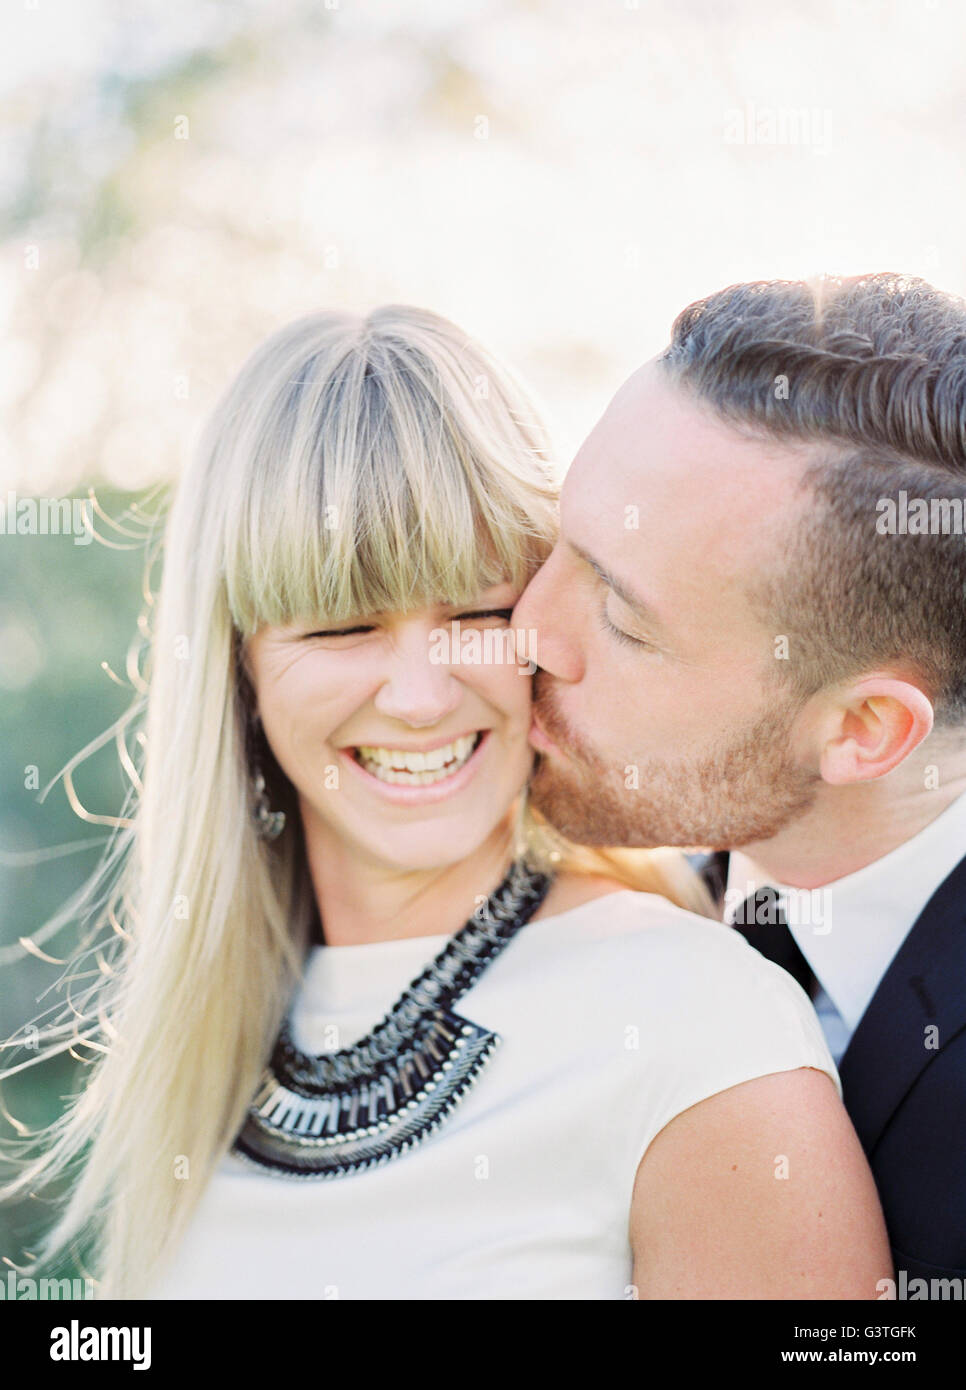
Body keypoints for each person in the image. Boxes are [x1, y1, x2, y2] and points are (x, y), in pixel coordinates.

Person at [0, 304, 890, 1300]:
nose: (422, 696)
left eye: (478, 611)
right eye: (343, 627)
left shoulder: (699, 1023)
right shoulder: (199, 1048)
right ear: (239, 667)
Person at [513, 271, 966, 1286]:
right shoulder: (587, 928)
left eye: (624, 620)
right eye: (555, 545)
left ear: (861, 729)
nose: (526, 630)